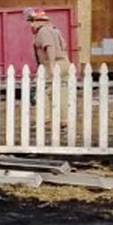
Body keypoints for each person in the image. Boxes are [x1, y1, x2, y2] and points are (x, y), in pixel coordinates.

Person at [27, 9, 70, 139]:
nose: (31, 25)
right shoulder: (55, 30)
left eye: (32, 22)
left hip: (51, 63)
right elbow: (65, 45)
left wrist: (51, 65)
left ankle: (44, 119)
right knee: (60, 90)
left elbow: (49, 47)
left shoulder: (43, 32)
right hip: (64, 62)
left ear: (38, 22)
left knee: (39, 89)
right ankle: (64, 120)